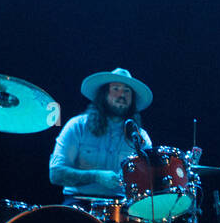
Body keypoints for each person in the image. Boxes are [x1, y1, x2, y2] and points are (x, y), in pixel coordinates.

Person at [49, 68, 153, 201]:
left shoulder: (140, 137)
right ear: (103, 95)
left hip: (121, 209)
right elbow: (55, 174)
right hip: (79, 202)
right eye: (116, 88)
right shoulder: (77, 126)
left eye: (127, 91)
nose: (122, 94)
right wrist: (96, 176)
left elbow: (149, 181)